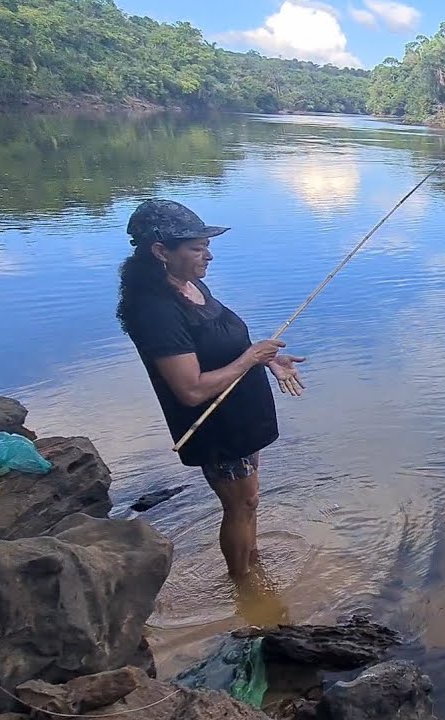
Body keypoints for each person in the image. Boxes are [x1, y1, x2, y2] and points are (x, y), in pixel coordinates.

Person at [116, 199, 307, 580]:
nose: (208, 256)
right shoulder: (155, 311)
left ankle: (254, 568)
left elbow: (220, 342)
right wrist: (250, 357)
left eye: (207, 246)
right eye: (196, 248)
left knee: (249, 501)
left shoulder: (189, 286)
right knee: (240, 505)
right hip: (215, 427)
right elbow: (190, 390)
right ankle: (244, 587)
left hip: (241, 418)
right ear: (161, 252)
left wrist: (268, 360)